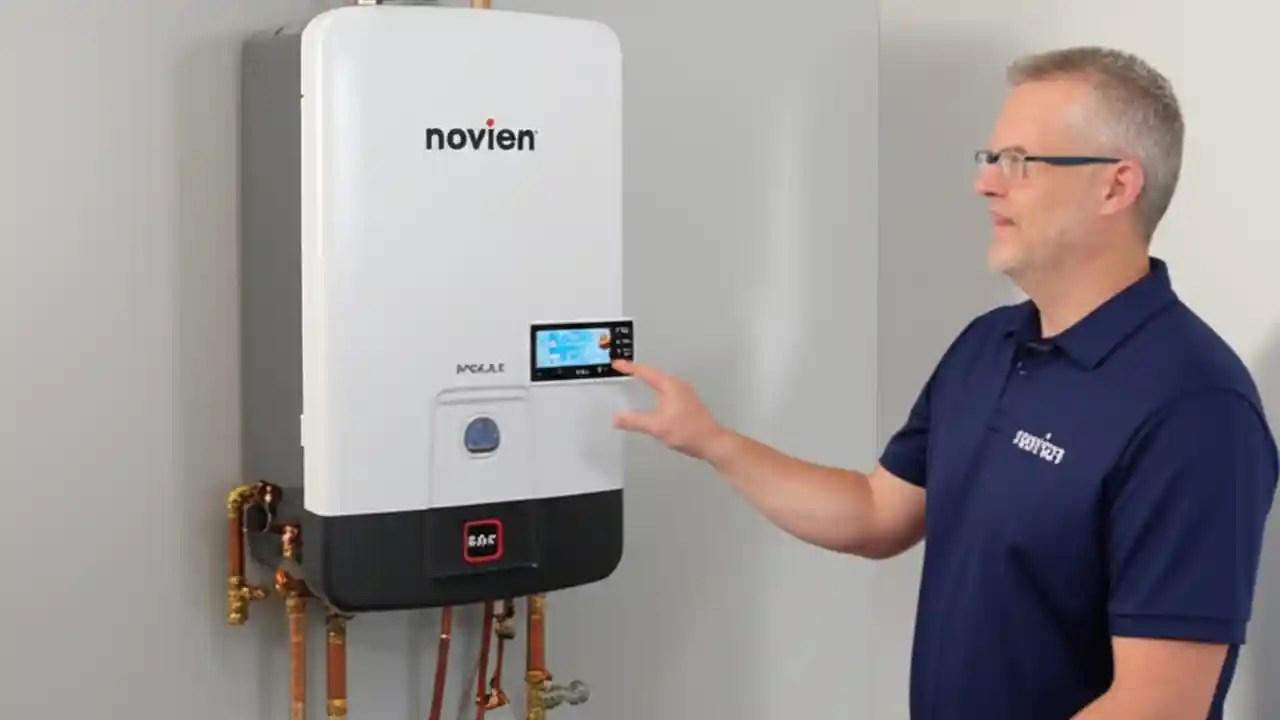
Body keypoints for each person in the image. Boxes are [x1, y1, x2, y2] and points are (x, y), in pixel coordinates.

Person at [610, 46, 1279, 719]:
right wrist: (710, 440)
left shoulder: (1195, 409)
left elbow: (1156, 707)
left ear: (1115, 186)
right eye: (988, 161)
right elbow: (876, 513)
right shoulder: (987, 346)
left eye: (1019, 161)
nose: (986, 184)